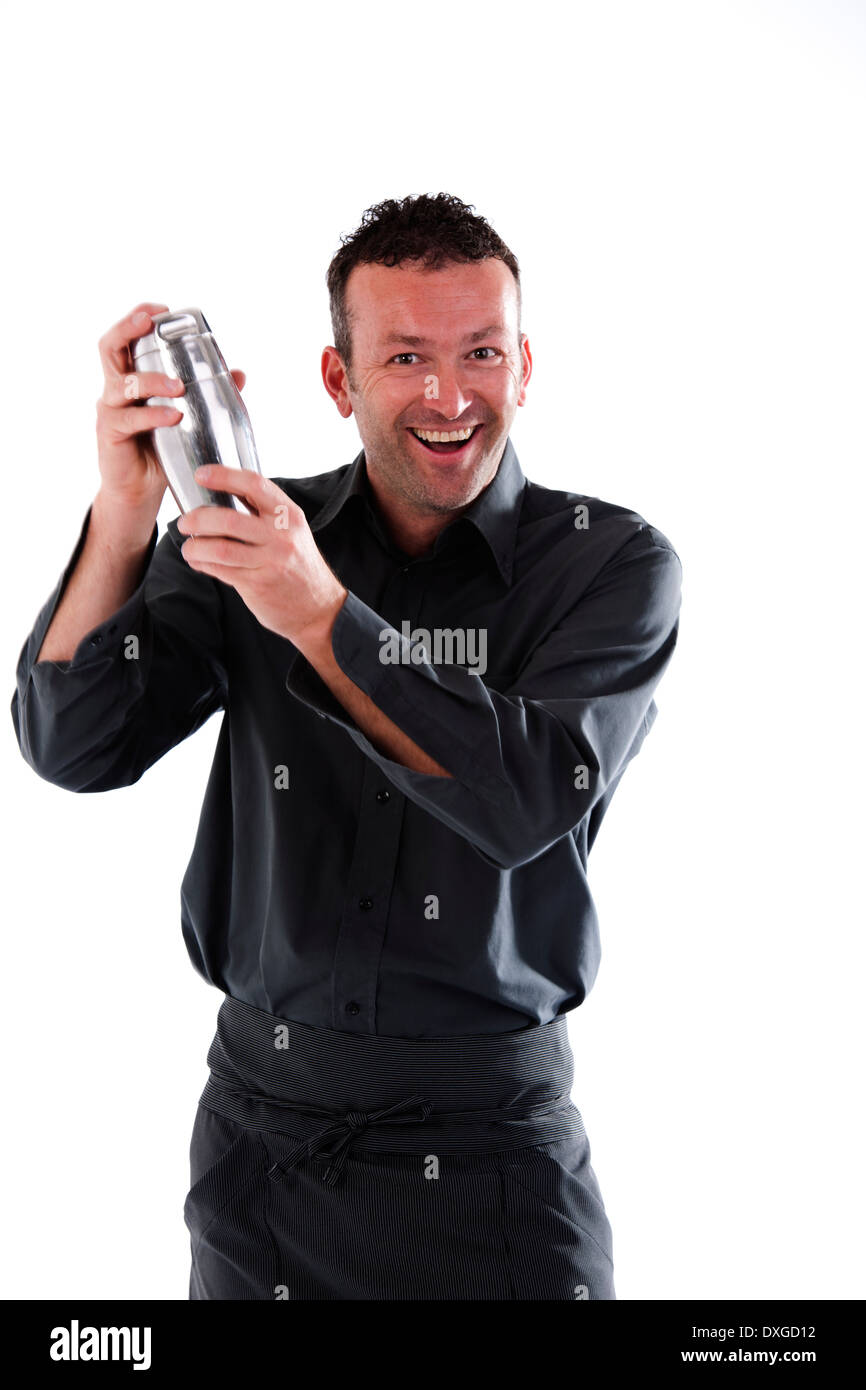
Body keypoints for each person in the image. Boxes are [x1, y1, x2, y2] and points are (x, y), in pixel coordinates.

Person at [11, 192, 682, 1300]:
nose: (447, 395)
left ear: (524, 365)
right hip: (261, 1157)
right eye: (404, 357)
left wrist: (318, 615)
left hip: (492, 1161)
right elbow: (72, 742)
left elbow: (520, 800)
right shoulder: (250, 540)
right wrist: (125, 514)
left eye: (479, 353)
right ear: (338, 381)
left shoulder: (608, 564)